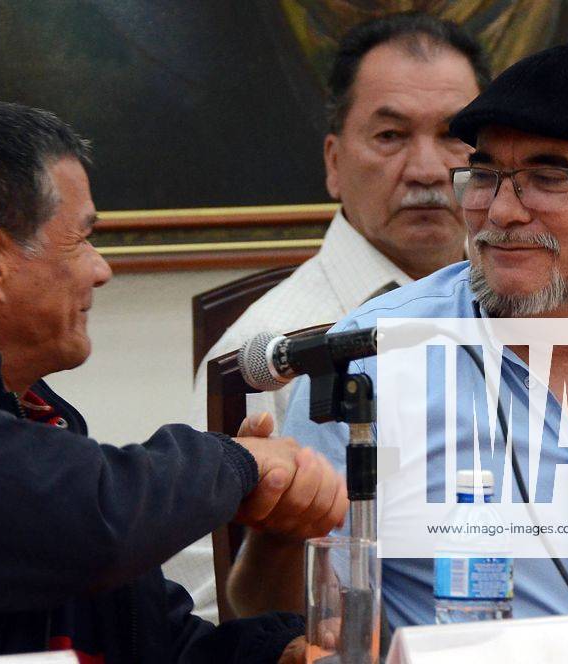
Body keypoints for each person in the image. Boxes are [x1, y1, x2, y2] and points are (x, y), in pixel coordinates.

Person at [232, 42, 568, 645]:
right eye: (487, 175)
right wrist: (278, 538)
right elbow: (286, 628)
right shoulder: (372, 361)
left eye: (548, 178)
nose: (503, 211)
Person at [0, 99, 348, 663]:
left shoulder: (33, 414)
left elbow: (153, 643)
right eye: (81, 239)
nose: (101, 269)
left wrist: (285, 654)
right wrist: (238, 461)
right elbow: (94, 519)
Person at [178, 11, 490, 621]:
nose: (428, 169)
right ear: (333, 162)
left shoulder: (528, 309)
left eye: (455, 137)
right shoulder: (265, 351)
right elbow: (207, 600)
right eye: (391, 136)